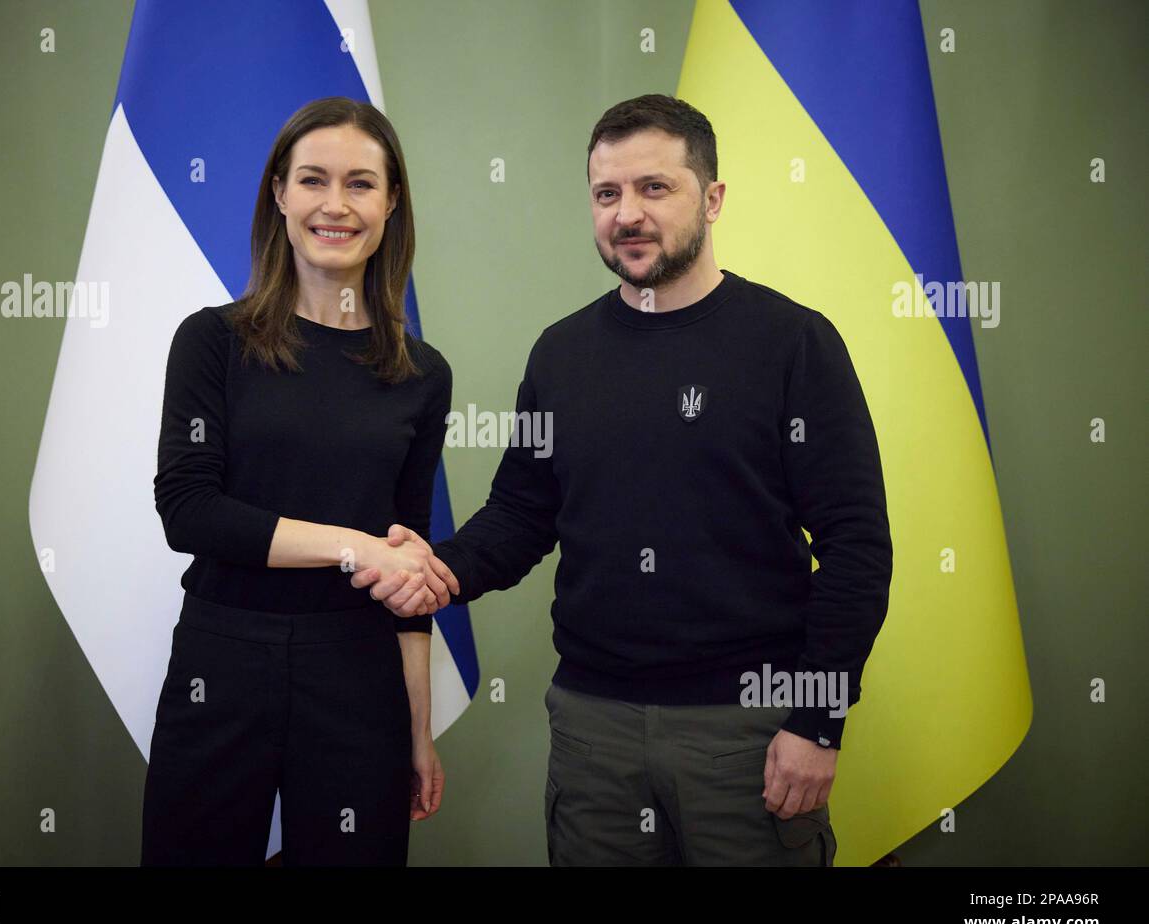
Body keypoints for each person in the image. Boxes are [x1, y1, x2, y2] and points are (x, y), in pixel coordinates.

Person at [353, 94, 893, 866]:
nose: (626, 214)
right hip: (592, 726)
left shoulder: (794, 342)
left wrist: (818, 720)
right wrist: (436, 571)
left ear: (712, 199)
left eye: (654, 188)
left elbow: (857, 547)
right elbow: (520, 514)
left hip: (752, 729)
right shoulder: (562, 353)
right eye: (607, 193)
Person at [142, 96, 459, 866]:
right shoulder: (212, 342)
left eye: (361, 183)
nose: (335, 204)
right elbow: (188, 511)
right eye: (313, 179)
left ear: (390, 205)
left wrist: (417, 729)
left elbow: (408, 560)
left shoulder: (423, 374)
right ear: (279, 193)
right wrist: (356, 549)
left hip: (358, 670)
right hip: (223, 656)